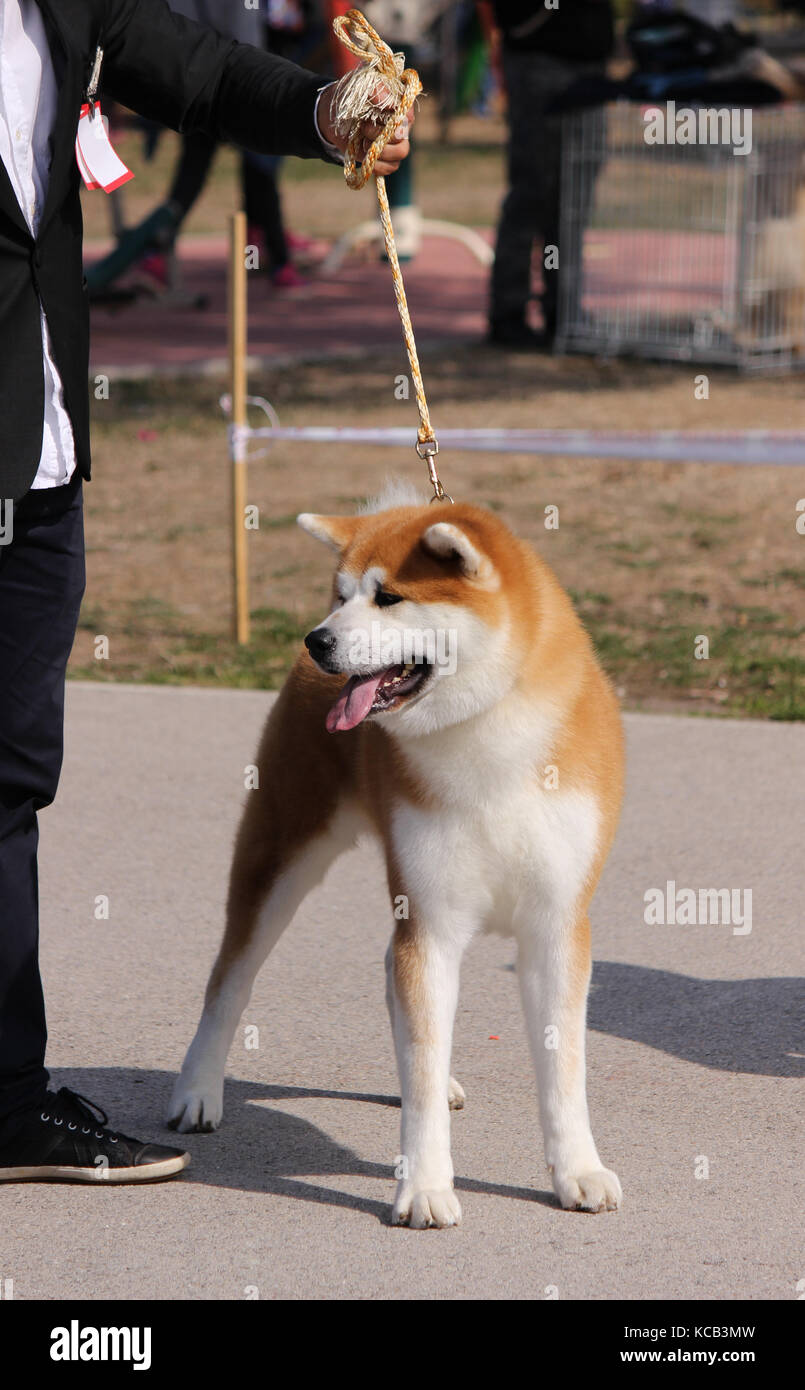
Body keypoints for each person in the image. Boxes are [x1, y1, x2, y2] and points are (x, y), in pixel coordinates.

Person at [0, 0, 410, 1185]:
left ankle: (6, 1099)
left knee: (8, 781)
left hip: (37, 451)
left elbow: (191, 69)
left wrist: (328, 109)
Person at [488, 0, 614, 348]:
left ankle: (564, 311)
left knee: (574, 196)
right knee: (533, 189)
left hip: (590, 67)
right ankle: (509, 314)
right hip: (538, 61)